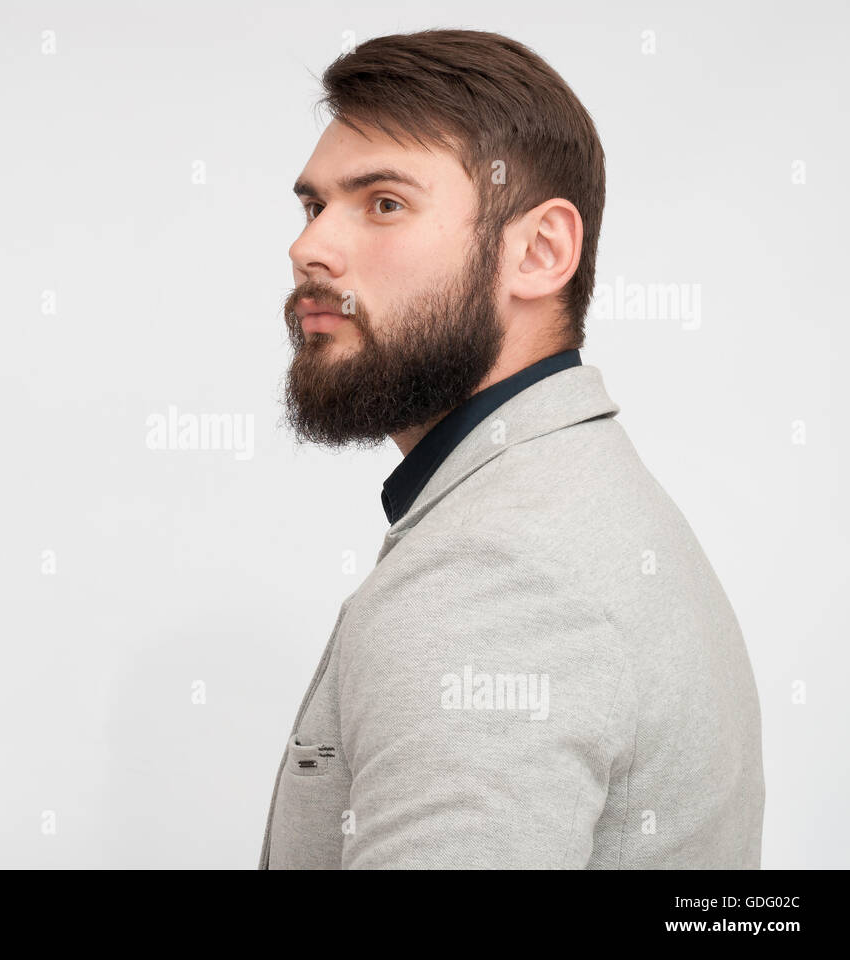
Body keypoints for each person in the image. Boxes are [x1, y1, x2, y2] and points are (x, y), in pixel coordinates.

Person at [259, 29, 764, 869]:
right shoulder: (579, 499)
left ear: (539, 252)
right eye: (314, 206)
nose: (308, 247)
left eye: (383, 202)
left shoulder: (500, 572)